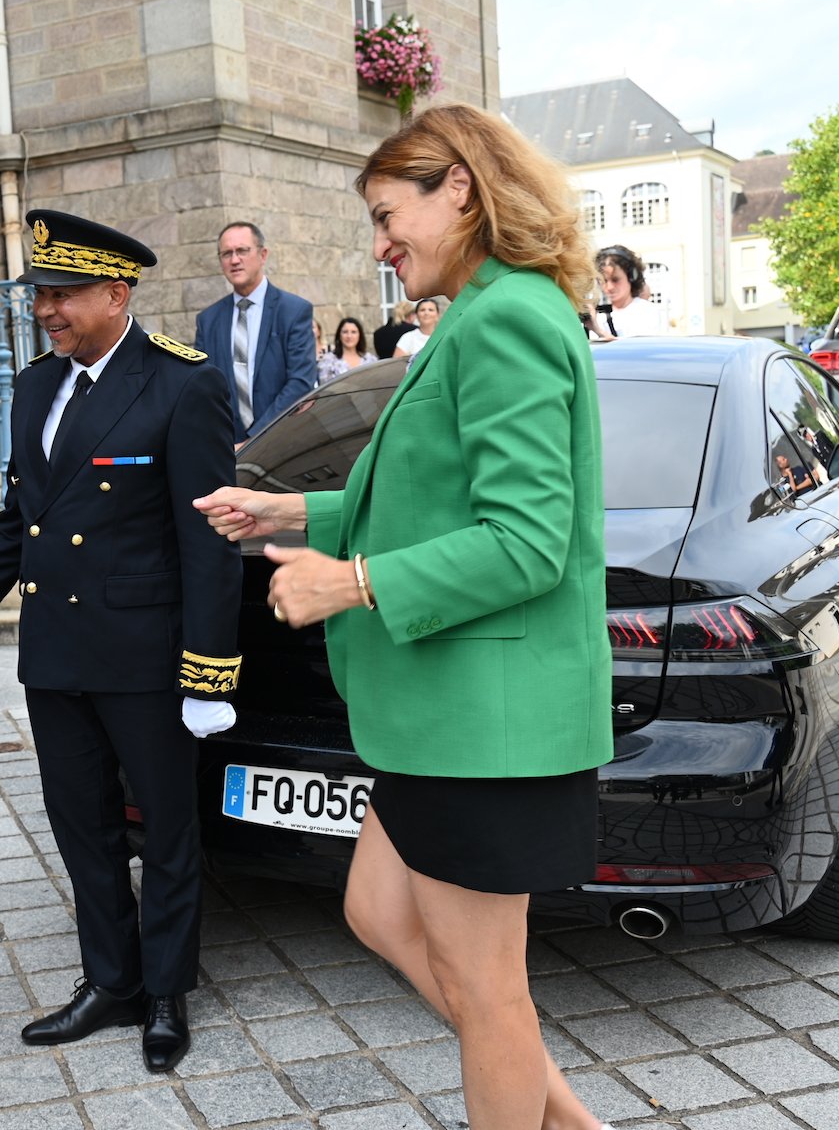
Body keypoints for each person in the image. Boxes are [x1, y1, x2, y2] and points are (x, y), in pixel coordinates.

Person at [194, 103, 612, 1130]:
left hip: (488, 724)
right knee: (375, 909)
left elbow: (523, 539)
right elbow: (428, 497)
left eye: (390, 214)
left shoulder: (506, 316)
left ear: (458, 188)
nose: (379, 245)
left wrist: (349, 580)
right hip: (441, 720)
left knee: (487, 992)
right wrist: (293, 510)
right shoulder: (473, 314)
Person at [0, 210, 242, 1074]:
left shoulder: (181, 385)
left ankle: (165, 990)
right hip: (56, 652)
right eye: (39, 294)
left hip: (146, 656)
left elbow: (209, 543)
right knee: (81, 825)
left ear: (118, 293)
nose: (46, 309)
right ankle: (110, 980)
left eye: (63, 294)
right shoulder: (37, 385)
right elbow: (23, 522)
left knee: (170, 829)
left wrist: (209, 672)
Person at [194, 222, 316, 449]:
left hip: (282, 444)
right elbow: (202, 387)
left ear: (263, 255)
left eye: (242, 250)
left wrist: (255, 439)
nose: (234, 260)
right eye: (226, 253)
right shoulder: (208, 320)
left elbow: (300, 383)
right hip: (226, 448)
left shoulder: (293, 311)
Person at [586, 244, 666, 339]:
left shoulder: (647, 312)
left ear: (632, 277)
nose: (609, 287)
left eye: (615, 280)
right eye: (604, 281)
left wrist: (598, 331)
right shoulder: (597, 316)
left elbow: (635, 350)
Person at [318, 316, 376, 383]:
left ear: (360, 335)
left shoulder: (370, 360)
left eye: (353, 332)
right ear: (339, 335)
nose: (349, 336)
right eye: (345, 332)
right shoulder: (328, 360)